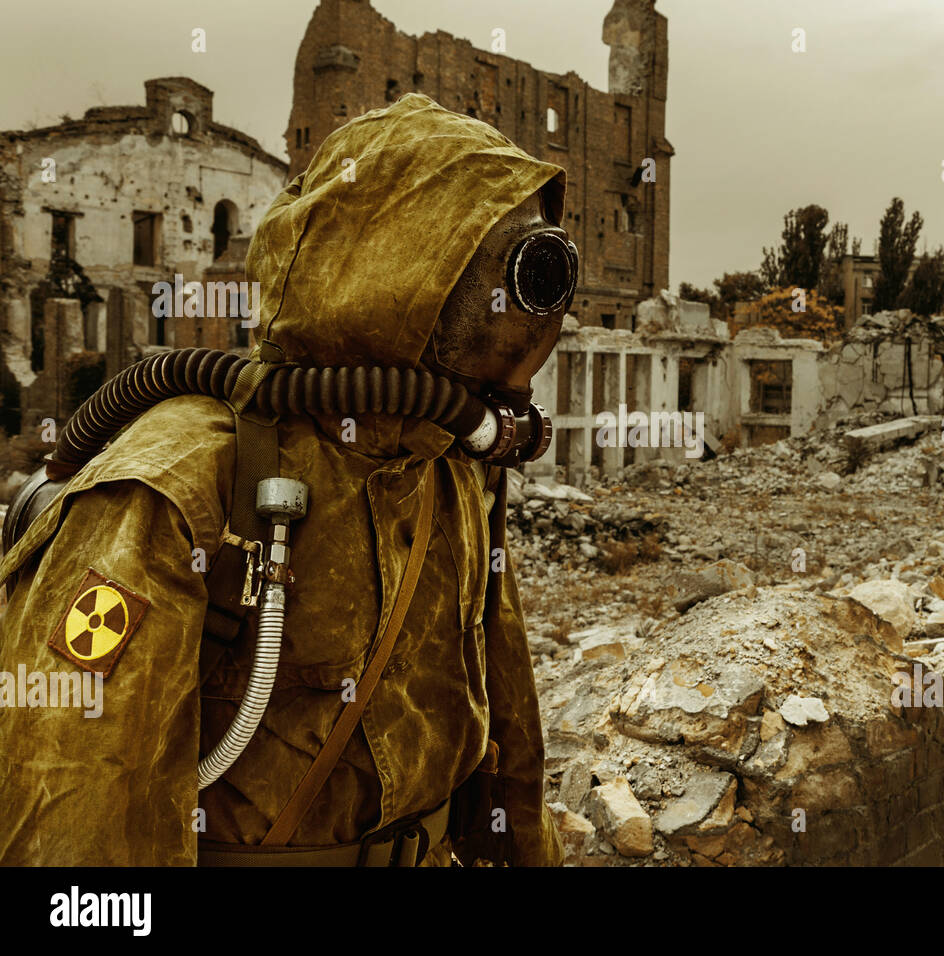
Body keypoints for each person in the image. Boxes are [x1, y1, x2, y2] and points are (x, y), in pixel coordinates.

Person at [0, 93, 570, 866]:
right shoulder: (180, 484)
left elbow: (501, 703)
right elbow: (78, 811)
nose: (537, 308)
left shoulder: (447, 462)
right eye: (515, 262)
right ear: (396, 264)